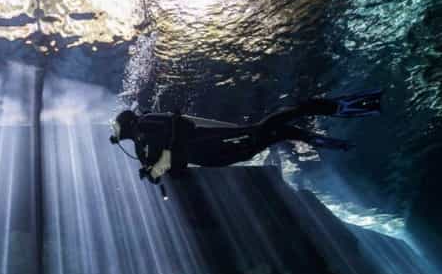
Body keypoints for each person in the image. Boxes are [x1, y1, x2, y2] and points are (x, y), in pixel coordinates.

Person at [109, 90, 382, 184]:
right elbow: (179, 140)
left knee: (268, 133)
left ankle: (327, 131)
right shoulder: (145, 136)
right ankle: (325, 111)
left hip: (215, 153)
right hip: (215, 146)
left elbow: (174, 165)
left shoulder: (145, 143)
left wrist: (155, 169)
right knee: (264, 130)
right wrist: (156, 168)